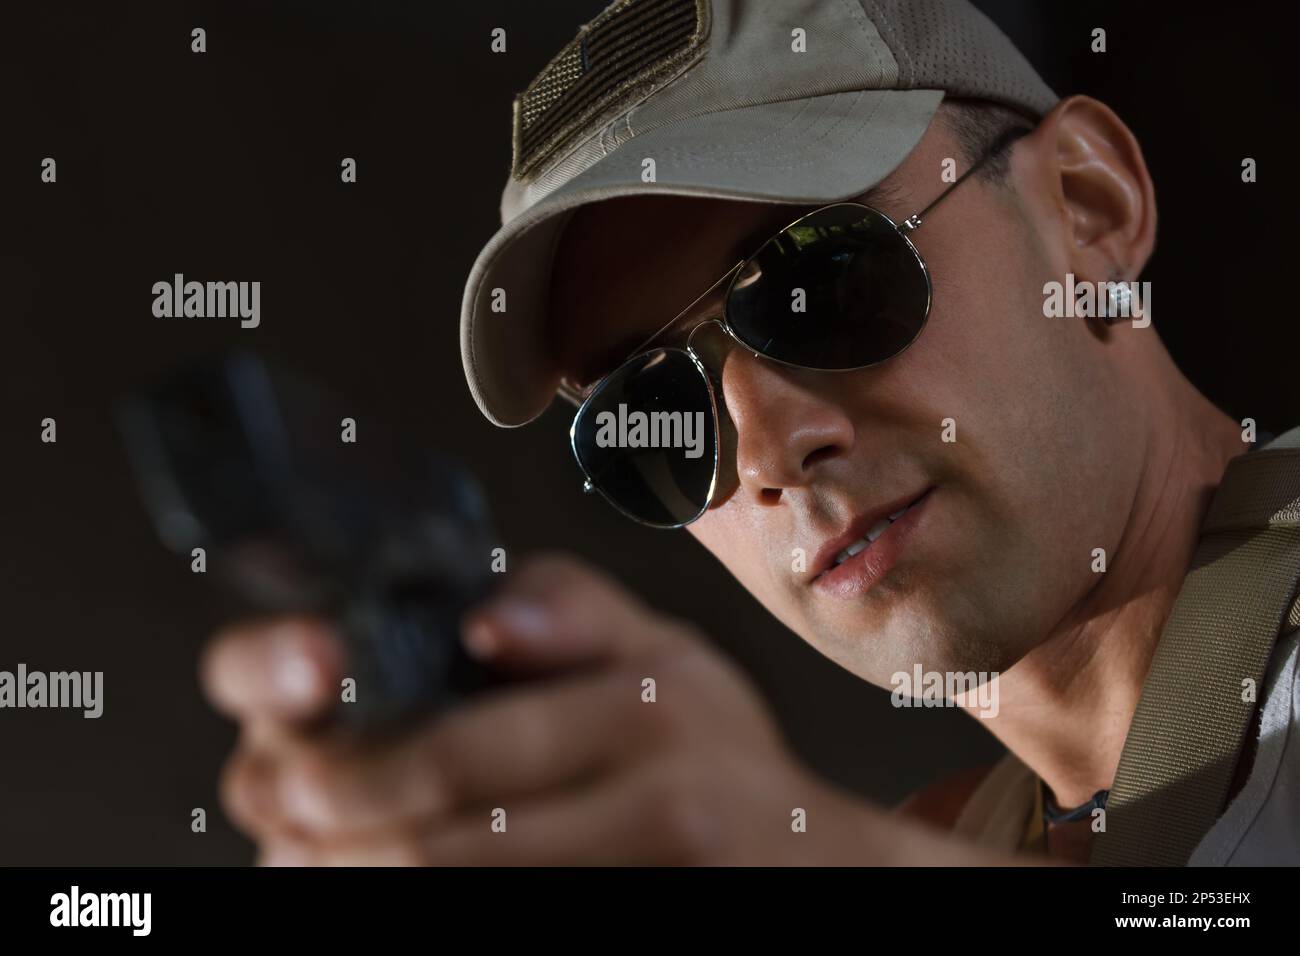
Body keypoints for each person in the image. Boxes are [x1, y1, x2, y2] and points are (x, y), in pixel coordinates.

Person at [200, 0, 1300, 865]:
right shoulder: (957, 830)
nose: (769, 451)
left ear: (1086, 208)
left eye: (816, 282)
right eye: (652, 413)